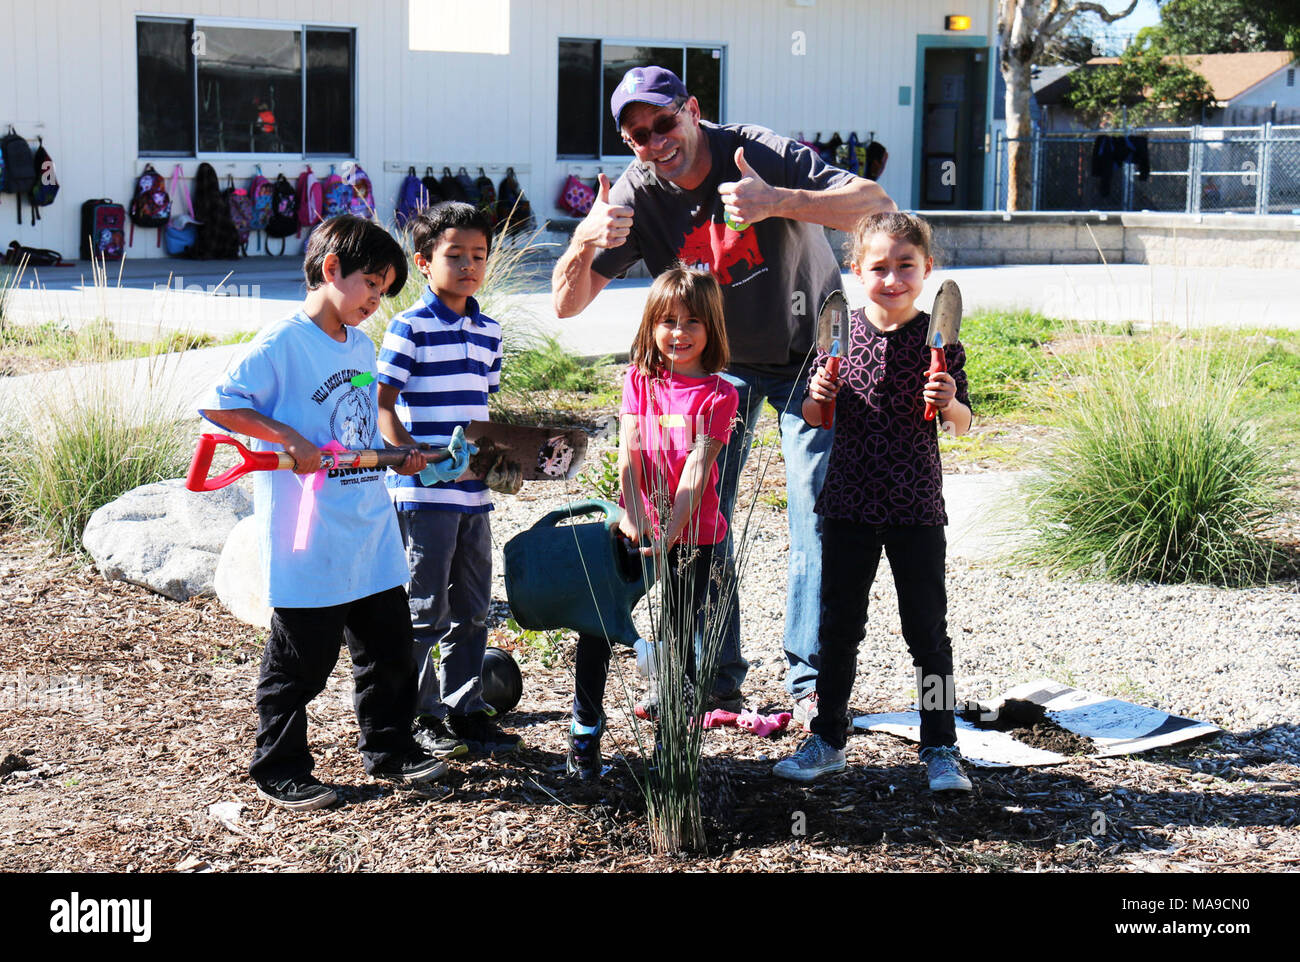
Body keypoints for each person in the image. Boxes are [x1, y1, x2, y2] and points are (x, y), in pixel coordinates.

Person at [551, 65, 895, 722]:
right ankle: (712, 675)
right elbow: (567, 304)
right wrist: (587, 236)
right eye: (638, 136)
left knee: (817, 511)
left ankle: (812, 681)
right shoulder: (636, 192)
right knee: (702, 517)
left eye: (663, 122)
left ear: (692, 110)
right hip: (716, 372)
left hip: (808, 352)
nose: (655, 142)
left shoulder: (757, 151)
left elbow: (877, 207)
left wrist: (779, 201)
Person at [199, 215, 447, 812]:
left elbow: (354, 428)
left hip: (367, 525)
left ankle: (390, 747)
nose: (375, 301)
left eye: (385, 292)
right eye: (371, 284)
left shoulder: (360, 346)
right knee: (301, 662)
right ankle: (279, 766)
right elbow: (219, 404)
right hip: (306, 533)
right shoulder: (283, 341)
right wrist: (286, 437)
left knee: (388, 649)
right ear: (331, 268)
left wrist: (396, 457)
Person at [772, 211, 973, 793]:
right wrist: (816, 396)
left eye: (905, 266)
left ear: (926, 269)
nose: (892, 278)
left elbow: (961, 424)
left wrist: (950, 400)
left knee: (928, 633)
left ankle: (940, 747)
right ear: (857, 270)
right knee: (838, 629)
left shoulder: (940, 342)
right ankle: (828, 738)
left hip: (916, 507)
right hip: (849, 503)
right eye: (878, 267)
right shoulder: (840, 335)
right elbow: (815, 417)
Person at [566, 266, 739, 780]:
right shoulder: (640, 380)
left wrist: (670, 531)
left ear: (712, 328)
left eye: (692, 322)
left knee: (681, 635)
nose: (679, 333)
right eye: (667, 320)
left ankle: (672, 740)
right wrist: (639, 516)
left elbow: (696, 469)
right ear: (651, 324)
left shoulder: (720, 396)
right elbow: (629, 454)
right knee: (597, 624)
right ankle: (585, 732)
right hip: (633, 526)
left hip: (695, 534)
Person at [377, 202, 521, 757]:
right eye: (454, 255)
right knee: (422, 608)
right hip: (421, 493)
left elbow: (484, 413)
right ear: (423, 261)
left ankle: (466, 708)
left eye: (478, 255)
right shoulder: (408, 326)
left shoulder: (489, 331)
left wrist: (507, 459)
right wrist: (405, 451)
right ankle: (419, 714)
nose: (468, 265)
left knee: (474, 606)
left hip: (473, 496)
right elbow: (383, 402)